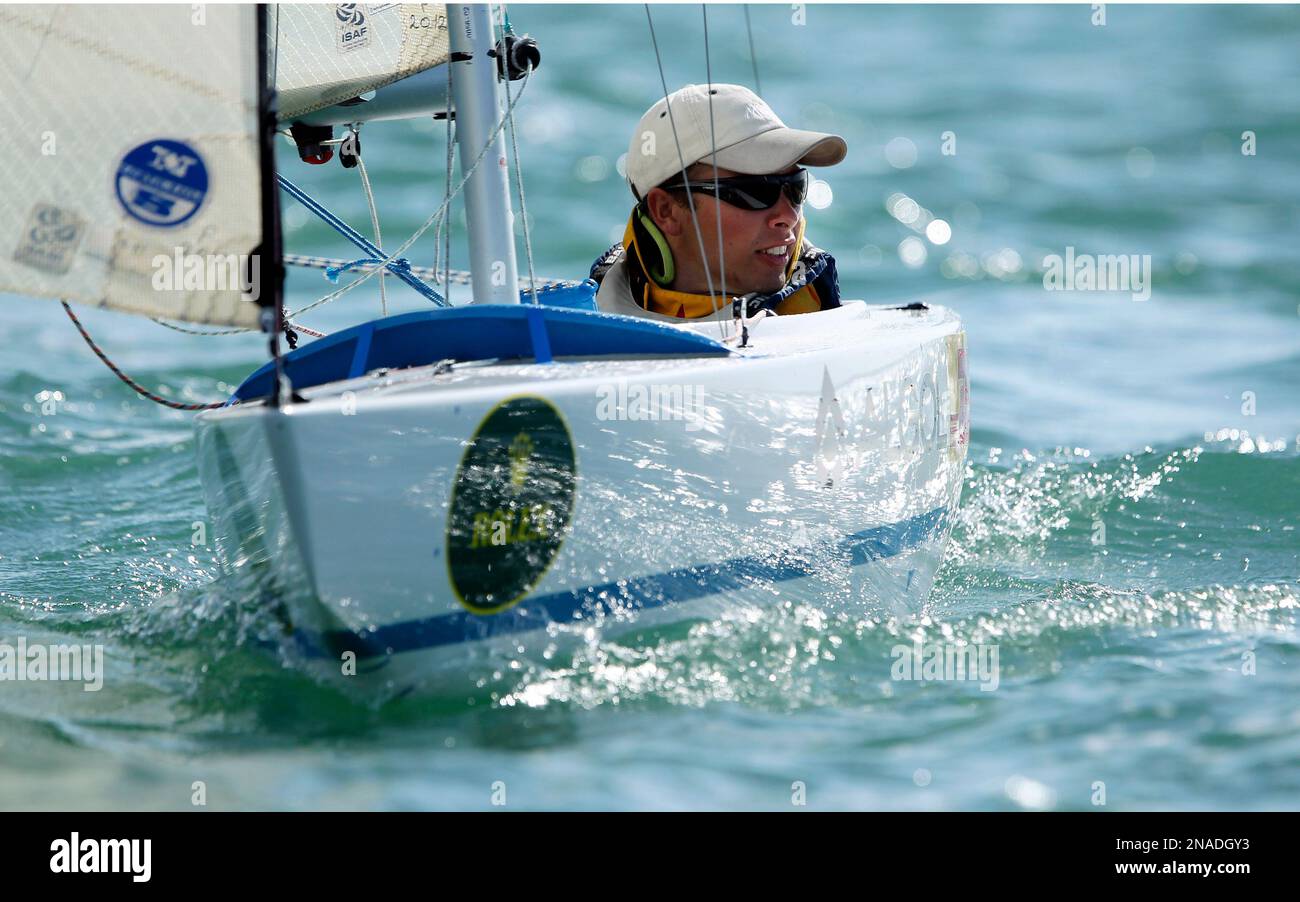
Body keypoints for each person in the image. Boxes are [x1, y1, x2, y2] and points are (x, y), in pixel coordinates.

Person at [591, 83, 848, 321]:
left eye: (795, 187)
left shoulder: (829, 309)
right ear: (666, 211)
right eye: (755, 191)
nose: (789, 216)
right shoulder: (587, 322)